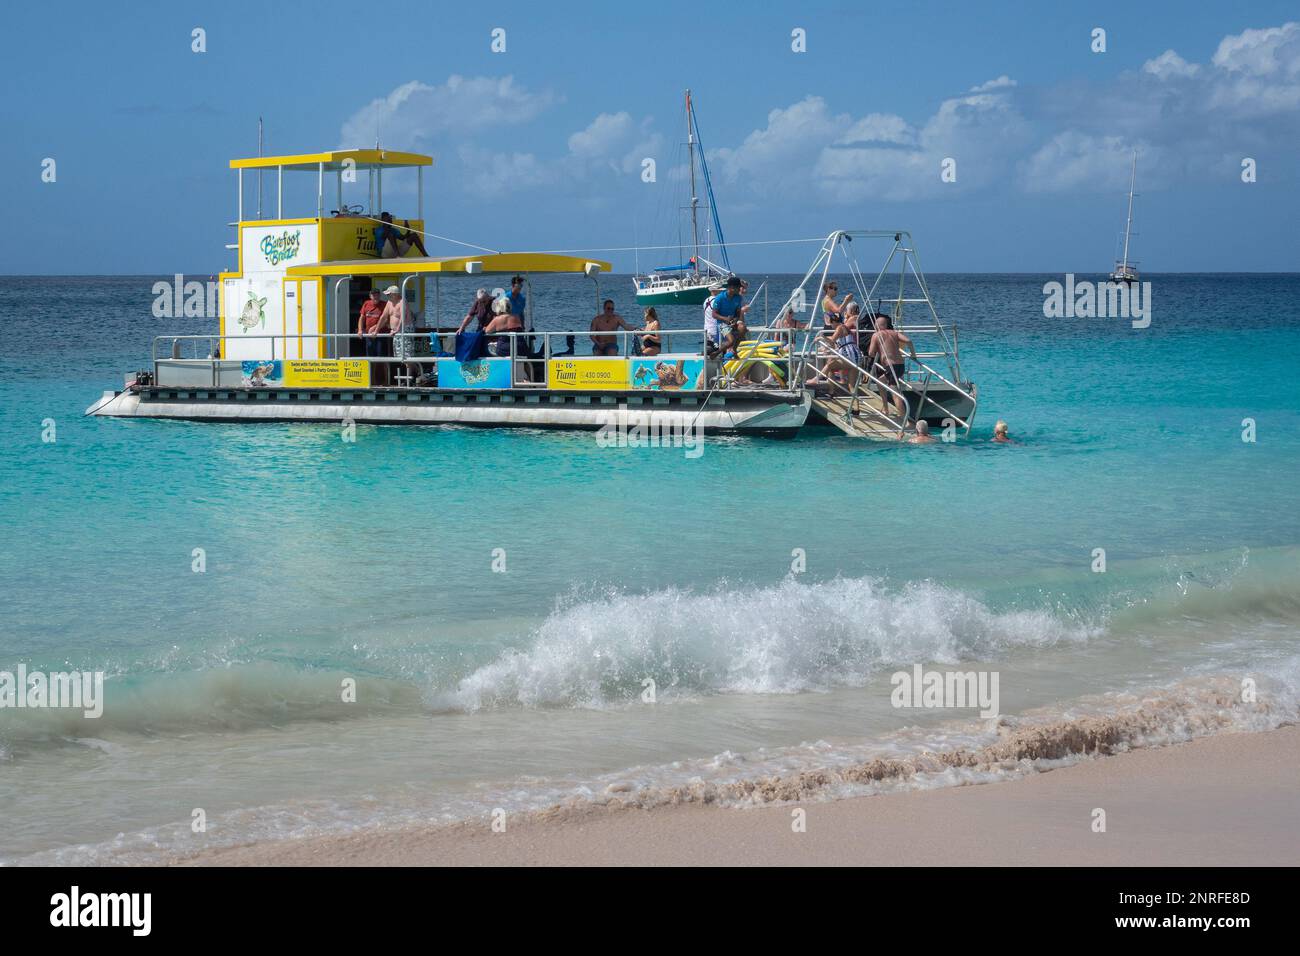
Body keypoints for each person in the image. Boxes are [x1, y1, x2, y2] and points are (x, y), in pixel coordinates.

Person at [867, 314, 915, 420]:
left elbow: (871, 352)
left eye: (875, 324)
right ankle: (885, 408)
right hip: (900, 366)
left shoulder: (876, 335)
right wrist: (913, 354)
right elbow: (909, 341)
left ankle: (904, 421)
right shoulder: (894, 333)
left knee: (895, 393)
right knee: (880, 381)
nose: (874, 325)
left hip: (891, 367)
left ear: (880, 325)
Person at [379, 284, 418, 382]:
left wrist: (397, 329)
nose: (388, 296)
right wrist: (376, 330)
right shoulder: (389, 303)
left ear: (395, 294)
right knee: (399, 356)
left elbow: (402, 317)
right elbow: (383, 317)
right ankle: (416, 372)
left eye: (389, 294)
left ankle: (410, 377)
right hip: (396, 332)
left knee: (406, 355)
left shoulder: (402, 302)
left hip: (405, 330)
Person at [703, 276, 746, 350]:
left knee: (741, 332)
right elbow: (714, 315)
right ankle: (719, 353)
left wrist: (734, 320)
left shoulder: (706, 301)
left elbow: (737, 312)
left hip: (709, 330)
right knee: (730, 342)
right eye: (739, 287)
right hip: (718, 328)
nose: (740, 289)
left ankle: (730, 351)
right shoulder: (718, 299)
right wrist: (726, 319)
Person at [357, 288, 385, 357]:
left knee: (381, 356)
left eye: (377, 295)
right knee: (370, 355)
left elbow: (386, 320)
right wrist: (360, 330)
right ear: (370, 296)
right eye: (373, 295)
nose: (375, 297)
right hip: (368, 335)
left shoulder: (384, 304)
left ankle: (382, 368)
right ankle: (371, 368)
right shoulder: (366, 303)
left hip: (380, 334)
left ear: (380, 295)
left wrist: (375, 328)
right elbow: (362, 317)